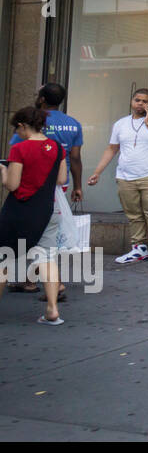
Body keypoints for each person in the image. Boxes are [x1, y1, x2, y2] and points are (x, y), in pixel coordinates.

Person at [7, 83, 81, 295]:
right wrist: (77, 186)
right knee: (48, 234)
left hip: (29, 183)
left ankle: (29, 279)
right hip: (58, 184)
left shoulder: (31, 123)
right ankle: (40, 282)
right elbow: (75, 158)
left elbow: (17, 153)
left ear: (41, 99)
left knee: (27, 233)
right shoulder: (73, 124)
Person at [87, 88, 148, 264]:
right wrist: (97, 172)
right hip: (126, 176)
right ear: (132, 101)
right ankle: (139, 248)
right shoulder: (121, 124)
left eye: (145, 101)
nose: (140, 103)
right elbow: (112, 149)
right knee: (134, 214)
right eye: (137, 100)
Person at [0, 107, 68, 325]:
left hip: (20, 210)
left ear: (22, 126)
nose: (16, 132)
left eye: (16, 128)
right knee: (47, 258)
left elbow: (13, 184)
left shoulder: (19, 149)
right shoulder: (57, 148)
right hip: (48, 209)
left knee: (4, 258)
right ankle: (52, 309)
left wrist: (3, 171)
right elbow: (61, 179)